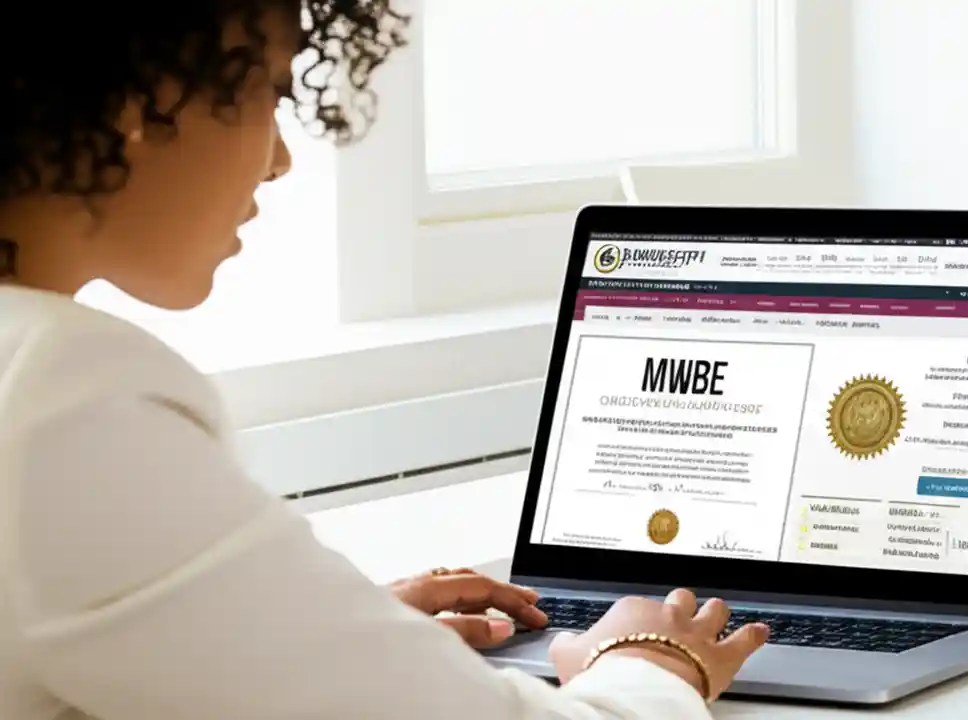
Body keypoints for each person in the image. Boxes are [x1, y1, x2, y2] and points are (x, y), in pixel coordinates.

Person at [0, 3, 769, 718]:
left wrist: (302, 642)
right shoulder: (65, 391)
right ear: (142, 92)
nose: (277, 161)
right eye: (267, 92)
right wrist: (654, 661)